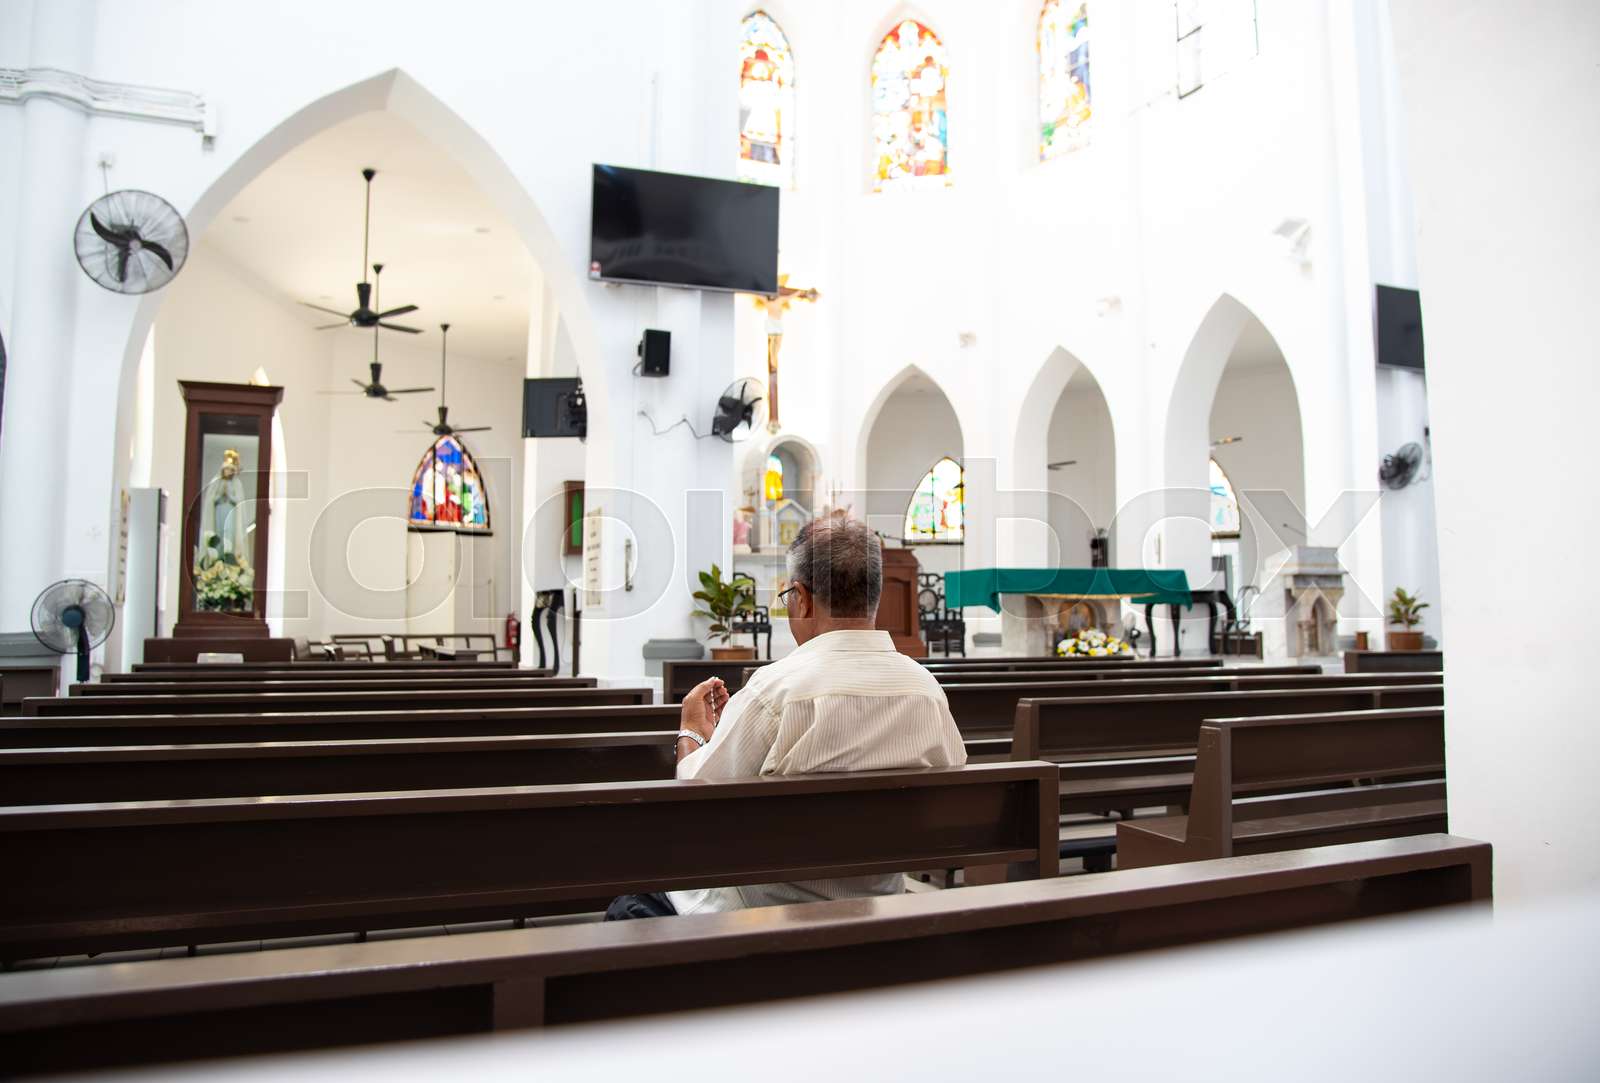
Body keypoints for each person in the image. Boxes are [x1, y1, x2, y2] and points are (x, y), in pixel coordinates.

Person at [605, 515, 966, 920]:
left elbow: (695, 800)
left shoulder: (776, 691)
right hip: (878, 902)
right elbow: (949, 788)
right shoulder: (926, 691)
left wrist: (693, 732)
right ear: (875, 597)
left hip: (768, 911)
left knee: (631, 901)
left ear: (803, 598)